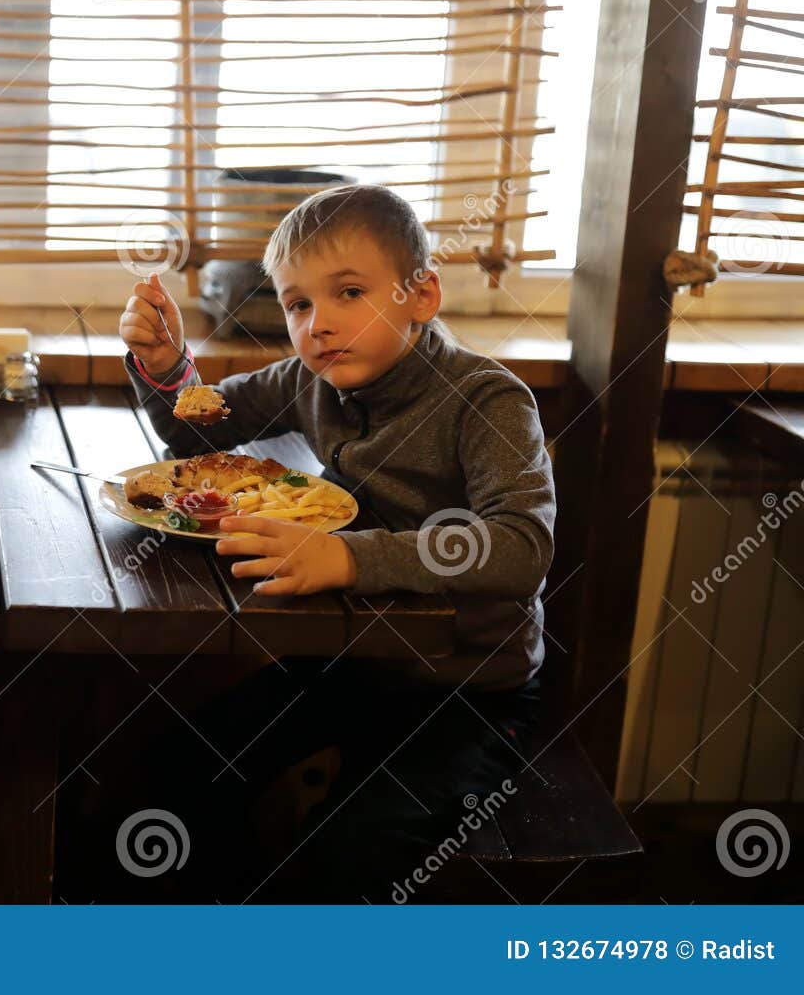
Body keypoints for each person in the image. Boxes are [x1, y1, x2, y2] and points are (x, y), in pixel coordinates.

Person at [108, 183, 555, 902]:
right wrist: (167, 370)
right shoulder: (310, 377)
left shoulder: (488, 399)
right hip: (350, 662)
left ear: (422, 295)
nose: (318, 324)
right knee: (169, 770)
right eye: (298, 303)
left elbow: (521, 544)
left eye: (349, 292)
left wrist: (351, 557)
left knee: (344, 861)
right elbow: (201, 425)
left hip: (466, 693)